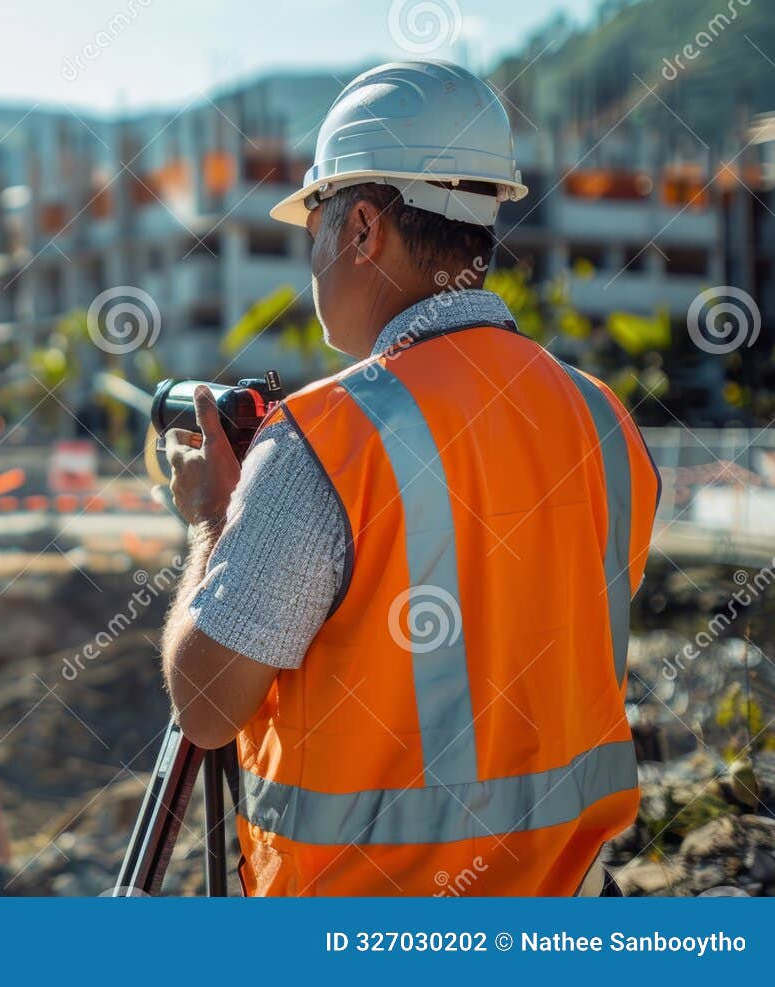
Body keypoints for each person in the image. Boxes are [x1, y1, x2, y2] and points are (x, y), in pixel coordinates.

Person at [158, 60, 659, 895]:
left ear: (361, 228)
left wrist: (213, 520)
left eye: (312, 229)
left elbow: (207, 706)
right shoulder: (603, 419)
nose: (312, 264)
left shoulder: (328, 439)